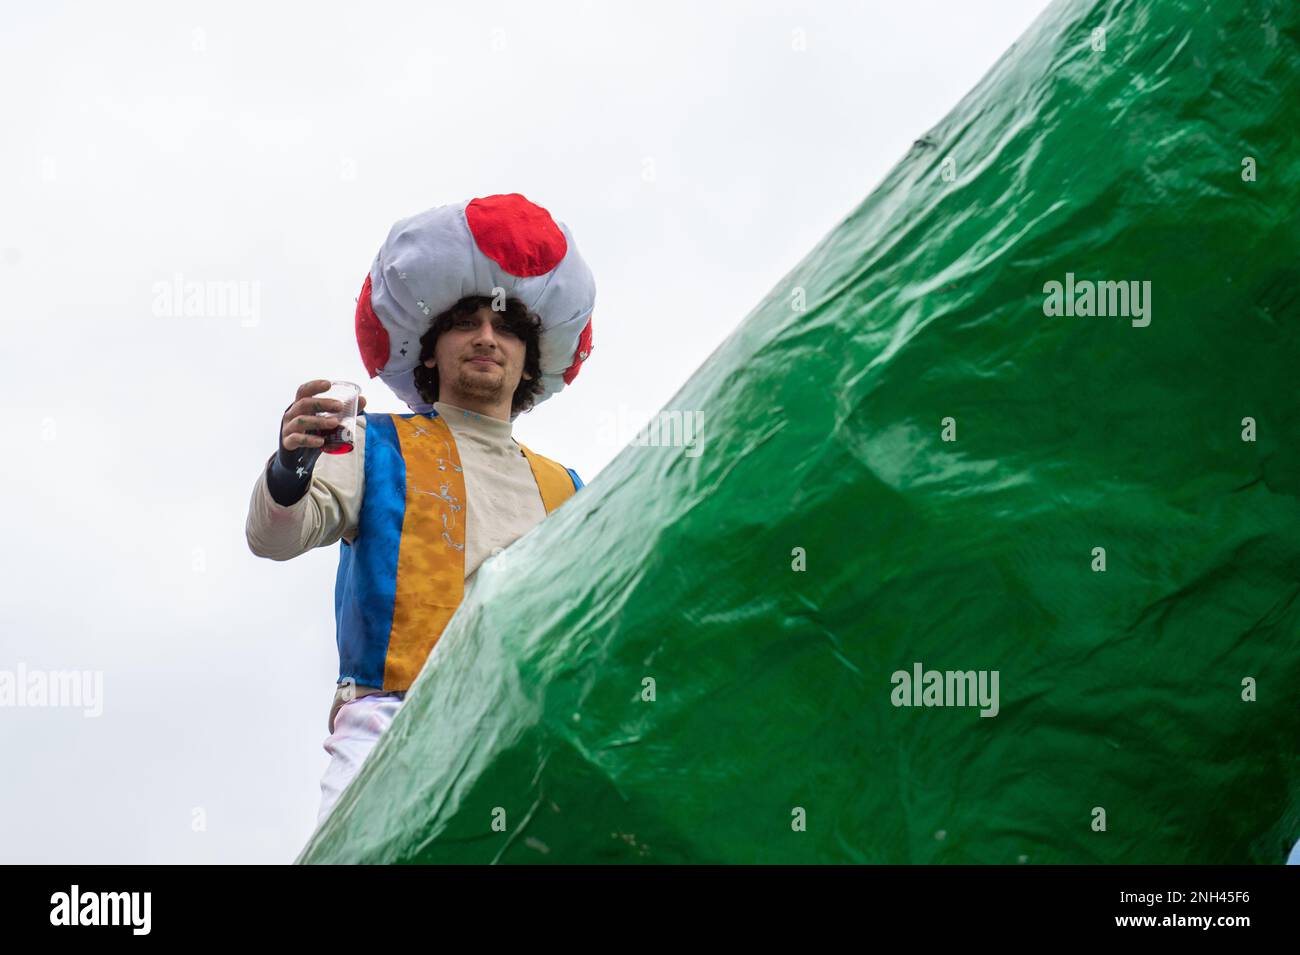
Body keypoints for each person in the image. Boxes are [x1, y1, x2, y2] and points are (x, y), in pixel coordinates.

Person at [244, 193, 596, 829]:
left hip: (525, 731)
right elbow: (277, 537)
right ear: (430, 351)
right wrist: (292, 465)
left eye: (507, 327)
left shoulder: (569, 488)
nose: (488, 337)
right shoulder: (374, 442)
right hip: (390, 725)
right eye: (467, 322)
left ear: (528, 359)